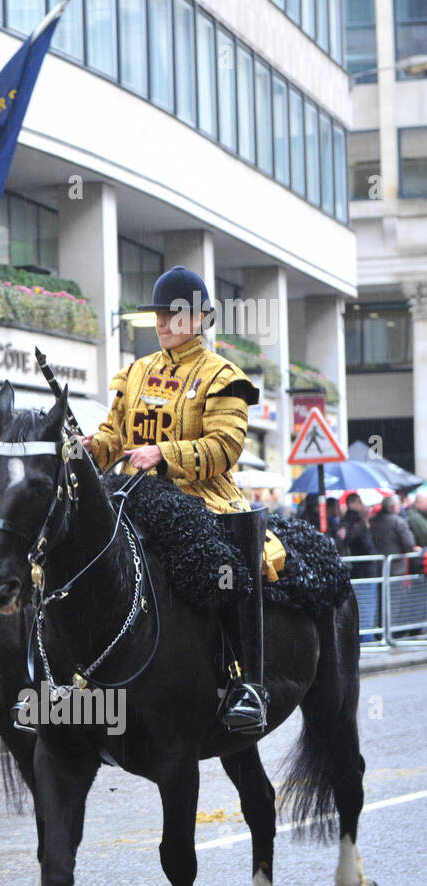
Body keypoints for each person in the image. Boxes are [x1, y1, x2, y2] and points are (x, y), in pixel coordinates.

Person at [83, 266, 283, 733]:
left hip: (203, 497)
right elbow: (115, 436)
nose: (163, 323)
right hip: (131, 494)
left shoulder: (223, 375)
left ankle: (245, 684)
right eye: (159, 314)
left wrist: (165, 454)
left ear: (199, 318)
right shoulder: (134, 373)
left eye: (174, 315)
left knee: (228, 566)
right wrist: (93, 447)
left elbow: (225, 448)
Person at [370, 495, 417, 575]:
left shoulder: (373, 520)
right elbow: (409, 543)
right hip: (396, 564)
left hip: (378, 564)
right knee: (395, 586)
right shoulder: (398, 521)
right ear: (393, 507)